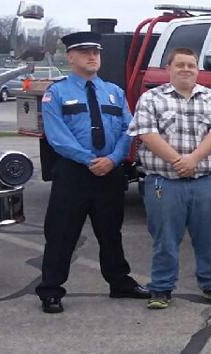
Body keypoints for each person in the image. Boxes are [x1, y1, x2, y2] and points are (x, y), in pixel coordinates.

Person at [34, 31, 147, 314]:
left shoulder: (114, 92)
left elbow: (129, 129)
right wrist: (89, 160)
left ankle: (119, 282)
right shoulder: (56, 93)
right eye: (85, 52)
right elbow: (57, 136)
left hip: (109, 171)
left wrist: (114, 158)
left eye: (96, 52)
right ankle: (51, 289)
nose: (92, 57)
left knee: (111, 232)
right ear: (70, 57)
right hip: (74, 172)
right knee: (62, 233)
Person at [127, 47, 211, 309]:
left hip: (207, 181)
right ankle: (161, 288)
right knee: (165, 240)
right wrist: (178, 161)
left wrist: (193, 160)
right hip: (165, 182)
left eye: (191, 65)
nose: (186, 69)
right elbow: (147, 134)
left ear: (197, 69)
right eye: (180, 65)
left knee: (209, 238)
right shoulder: (151, 98)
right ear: (169, 68)